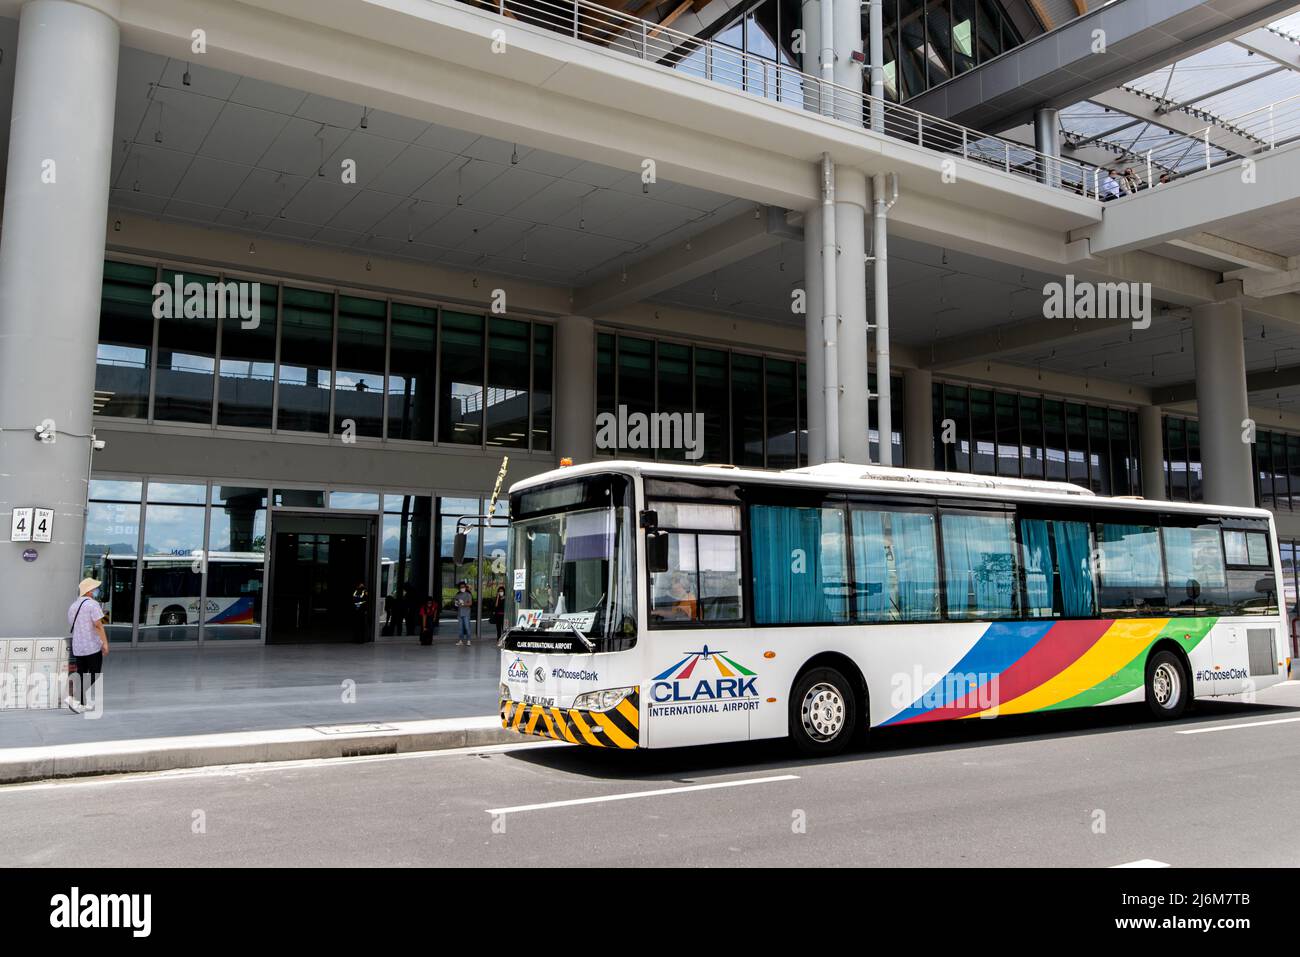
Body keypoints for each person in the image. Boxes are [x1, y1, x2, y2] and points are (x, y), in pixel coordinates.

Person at [66, 577, 109, 714]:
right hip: (91, 645)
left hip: (78, 645)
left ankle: (82, 704)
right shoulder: (92, 605)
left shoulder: (73, 606)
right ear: (89, 591)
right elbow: (98, 625)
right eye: (95, 589)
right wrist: (105, 643)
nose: (96, 591)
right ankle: (75, 698)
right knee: (95, 673)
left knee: (82, 673)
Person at [454, 581, 474, 646]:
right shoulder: (457, 595)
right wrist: (456, 604)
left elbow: (470, 603)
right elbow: (456, 603)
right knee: (460, 628)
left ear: (465, 587)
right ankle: (460, 641)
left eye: (463, 587)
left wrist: (463, 604)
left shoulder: (468, 594)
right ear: (459, 588)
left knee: (467, 627)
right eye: (461, 587)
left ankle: (468, 640)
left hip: (466, 613)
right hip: (460, 613)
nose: (462, 588)